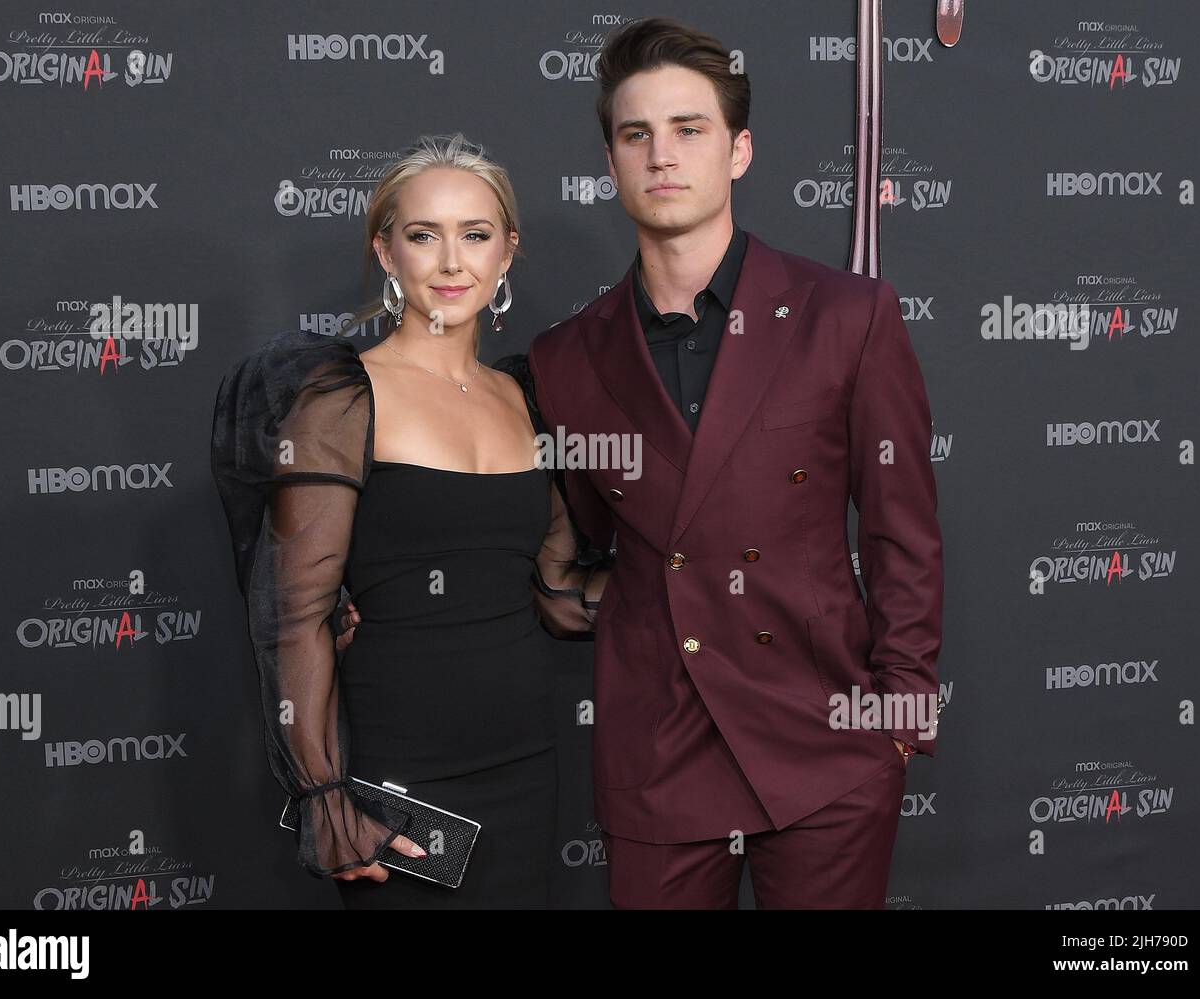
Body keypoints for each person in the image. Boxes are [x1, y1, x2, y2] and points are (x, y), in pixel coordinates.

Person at [344, 18, 945, 909]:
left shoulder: (847, 315)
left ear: (739, 152)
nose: (663, 156)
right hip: (658, 749)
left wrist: (897, 723)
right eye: (637, 135)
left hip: (828, 747)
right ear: (611, 161)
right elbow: (571, 545)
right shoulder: (565, 357)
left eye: (689, 130)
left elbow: (905, 533)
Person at [210, 133, 608, 908]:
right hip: (400, 781)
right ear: (387, 253)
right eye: (424, 235)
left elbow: (561, 595)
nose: (452, 263)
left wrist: (697, 578)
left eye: (476, 235)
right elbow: (292, 615)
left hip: (527, 764)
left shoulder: (528, 398)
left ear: (507, 253)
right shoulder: (340, 398)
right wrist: (325, 799)